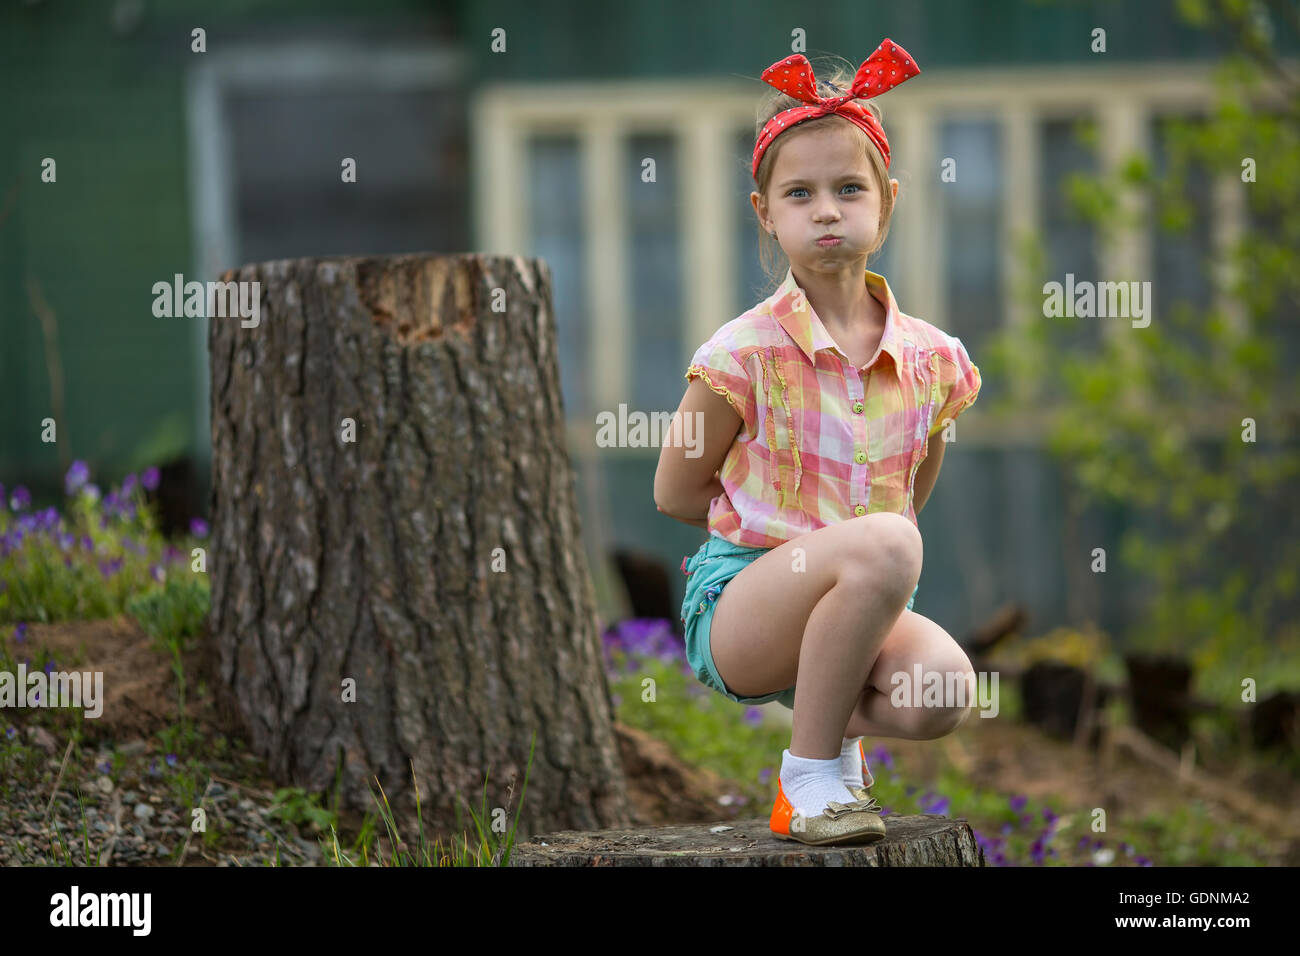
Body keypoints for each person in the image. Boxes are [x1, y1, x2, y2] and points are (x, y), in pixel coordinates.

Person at [653, 40, 982, 847]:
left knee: (942, 694)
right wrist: (788, 543)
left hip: (861, 592)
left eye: (847, 188)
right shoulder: (741, 353)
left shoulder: (934, 359)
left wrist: (861, 564)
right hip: (743, 606)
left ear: (888, 202)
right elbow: (674, 493)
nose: (826, 210)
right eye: (800, 194)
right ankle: (811, 779)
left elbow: (911, 487)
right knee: (887, 544)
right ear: (766, 214)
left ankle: (831, 728)